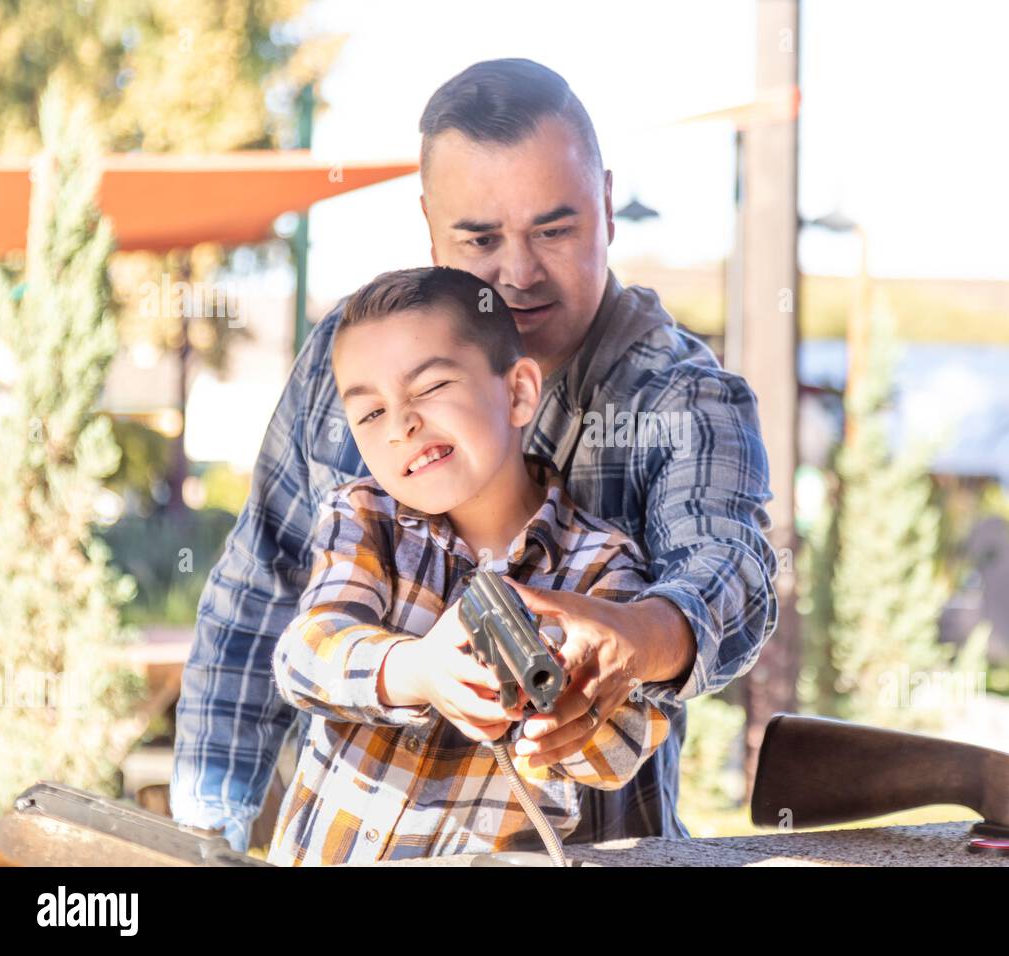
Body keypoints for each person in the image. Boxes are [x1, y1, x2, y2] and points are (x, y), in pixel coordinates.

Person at [172, 58, 778, 852]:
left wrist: (635, 639)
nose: (519, 274)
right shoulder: (352, 359)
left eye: (555, 230)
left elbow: (731, 569)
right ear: (429, 226)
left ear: (607, 205)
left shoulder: (683, 397)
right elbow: (263, 593)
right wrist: (204, 838)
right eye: (480, 238)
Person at [266, 267, 673, 864]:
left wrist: (563, 712)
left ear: (518, 392)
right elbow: (305, 654)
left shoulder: (601, 566)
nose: (402, 424)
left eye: (429, 388)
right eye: (370, 413)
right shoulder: (364, 516)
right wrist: (417, 670)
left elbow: (623, 749)